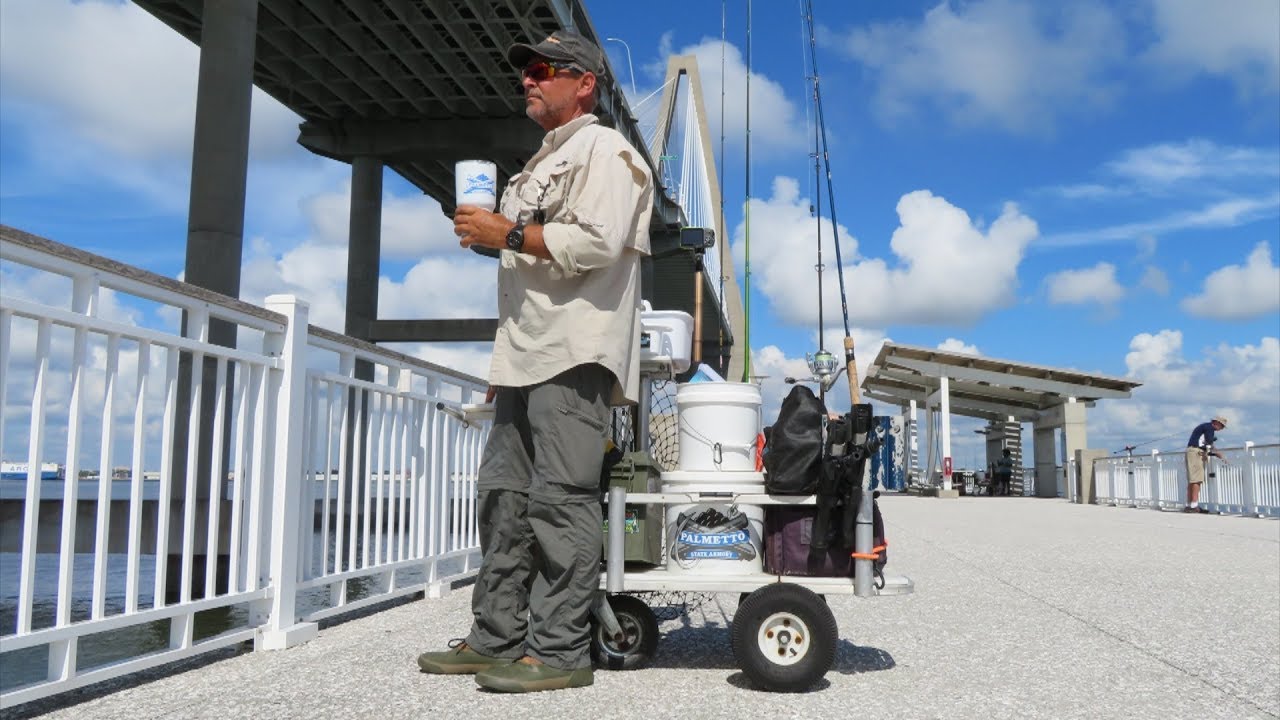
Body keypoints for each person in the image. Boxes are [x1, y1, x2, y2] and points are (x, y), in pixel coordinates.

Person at [416, 30, 653, 694]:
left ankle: (559, 650)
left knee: (559, 502)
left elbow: (599, 242)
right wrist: (501, 360)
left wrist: (508, 232)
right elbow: (529, 262)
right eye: (524, 70)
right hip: (525, 354)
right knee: (503, 500)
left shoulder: (605, 149)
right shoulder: (540, 162)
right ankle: (496, 637)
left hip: (576, 350)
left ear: (585, 84)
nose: (528, 78)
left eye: (544, 69)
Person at [1184, 416, 1227, 513]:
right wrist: (1219, 453)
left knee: (1192, 480)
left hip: (1192, 452)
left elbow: (1206, 444)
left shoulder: (1205, 427)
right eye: (1222, 426)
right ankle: (1194, 506)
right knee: (1196, 480)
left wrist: (1214, 453)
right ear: (1216, 423)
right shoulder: (1209, 428)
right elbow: (1209, 443)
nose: (1222, 429)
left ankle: (1189, 505)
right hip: (1195, 453)